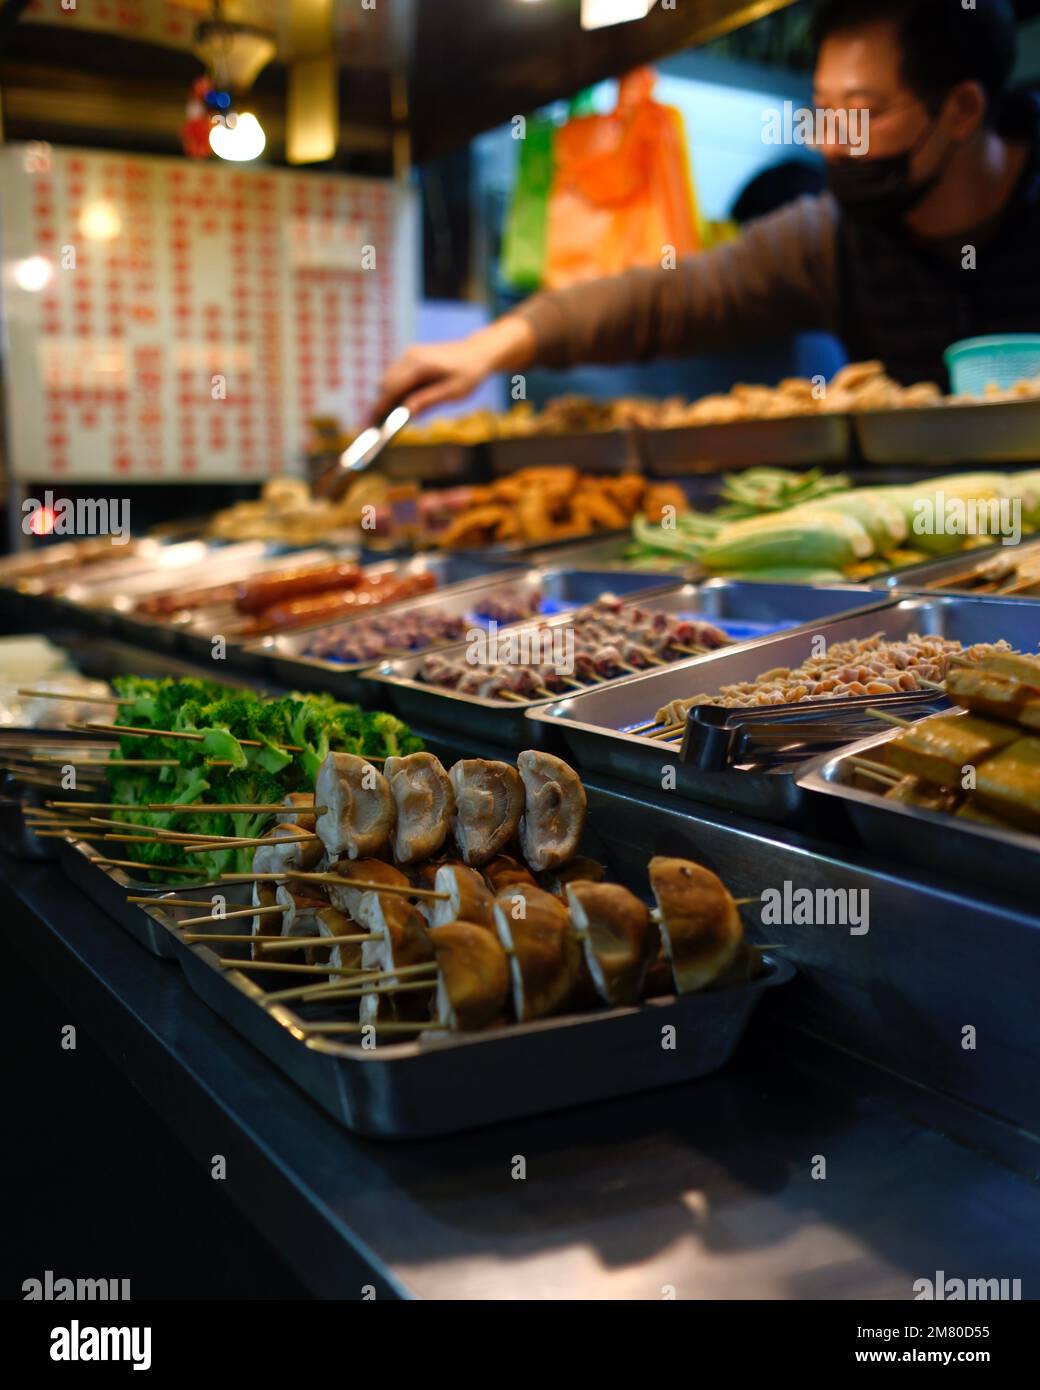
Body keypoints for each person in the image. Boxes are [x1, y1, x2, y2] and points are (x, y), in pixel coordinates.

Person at [373, 0, 1037, 419]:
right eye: (823, 111)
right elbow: (666, 298)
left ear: (962, 110)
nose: (829, 142)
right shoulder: (829, 238)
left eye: (861, 114)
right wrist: (487, 349)